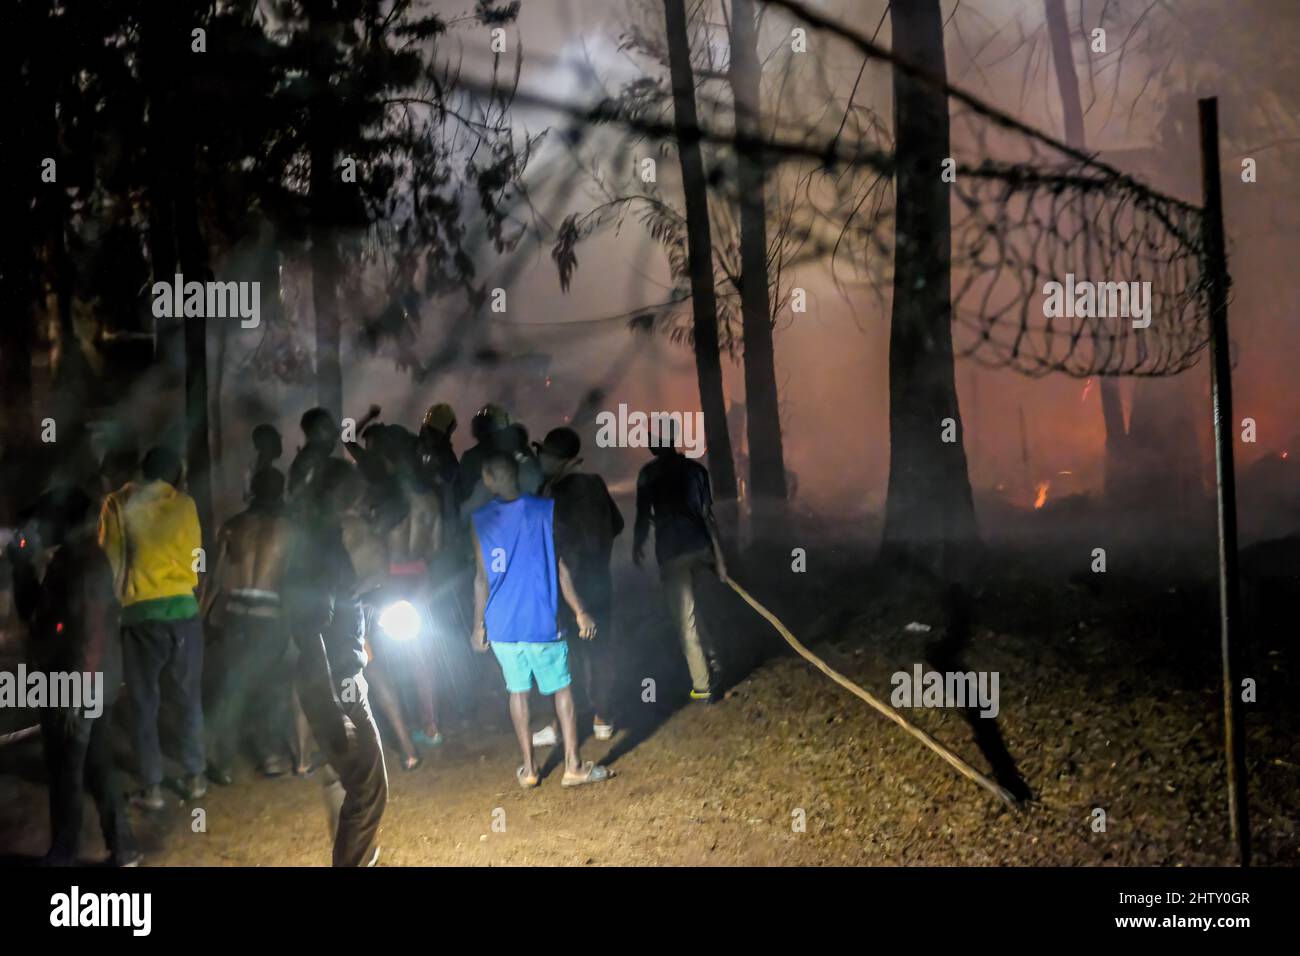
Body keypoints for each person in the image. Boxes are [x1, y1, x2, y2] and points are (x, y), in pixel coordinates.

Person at [12, 487, 140, 866]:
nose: (39, 529)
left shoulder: (83, 564)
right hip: (84, 679)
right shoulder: (73, 560)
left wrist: (76, 693)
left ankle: (65, 851)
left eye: (44, 522)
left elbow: (91, 632)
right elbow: (35, 613)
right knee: (97, 765)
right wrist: (21, 567)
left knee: (66, 769)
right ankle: (123, 845)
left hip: (77, 681)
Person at [469, 451, 610, 788]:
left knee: (517, 693)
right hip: (541, 620)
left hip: (503, 624)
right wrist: (579, 609)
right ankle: (573, 766)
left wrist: (478, 625)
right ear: (516, 475)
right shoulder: (544, 510)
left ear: (488, 479)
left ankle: (530, 770)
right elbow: (560, 567)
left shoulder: (480, 520)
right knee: (562, 689)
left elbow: (480, 578)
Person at [283, 458, 387, 866]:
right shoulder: (321, 547)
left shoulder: (315, 540)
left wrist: (356, 602)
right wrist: (335, 703)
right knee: (369, 789)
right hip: (338, 682)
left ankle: (359, 856)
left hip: (332, 679)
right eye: (356, 497)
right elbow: (312, 630)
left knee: (343, 776)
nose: (362, 505)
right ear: (343, 498)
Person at [98, 446, 207, 806]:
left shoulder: (116, 503)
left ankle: (153, 788)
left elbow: (110, 561)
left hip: (140, 615)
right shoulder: (186, 504)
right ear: (176, 475)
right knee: (188, 698)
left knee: (144, 703)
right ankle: (194, 778)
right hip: (184, 613)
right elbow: (196, 558)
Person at [202, 467, 295, 782]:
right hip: (270, 617)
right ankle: (270, 757)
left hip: (236, 614)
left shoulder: (232, 527)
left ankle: (221, 761)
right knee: (269, 686)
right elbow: (292, 582)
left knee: (232, 686)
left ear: (252, 491)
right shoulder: (288, 529)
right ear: (280, 493)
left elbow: (213, 578)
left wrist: (202, 616)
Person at [532, 427, 624, 745]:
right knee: (600, 651)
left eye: (543, 454)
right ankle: (604, 717)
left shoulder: (555, 493)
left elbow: (553, 546)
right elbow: (618, 524)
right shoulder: (595, 484)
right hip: (599, 578)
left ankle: (563, 725)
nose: (540, 459)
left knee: (566, 654)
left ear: (557, 459)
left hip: (567, 584)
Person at [633, 428, 729, 703]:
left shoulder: (648, 475)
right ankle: (714, 661)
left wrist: (637, 544)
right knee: (696, 611)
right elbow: (707, 516)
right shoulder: (696, 470)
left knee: (685, 622)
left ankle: (703, 686)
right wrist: (719, 559)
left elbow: (642, 516)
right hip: (701, 548)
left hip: (673, 554)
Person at [288, 407, 341, 498]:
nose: (336, 433)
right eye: (328, 427)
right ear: (314, 432)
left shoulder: (315, 461)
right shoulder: (309, 464)